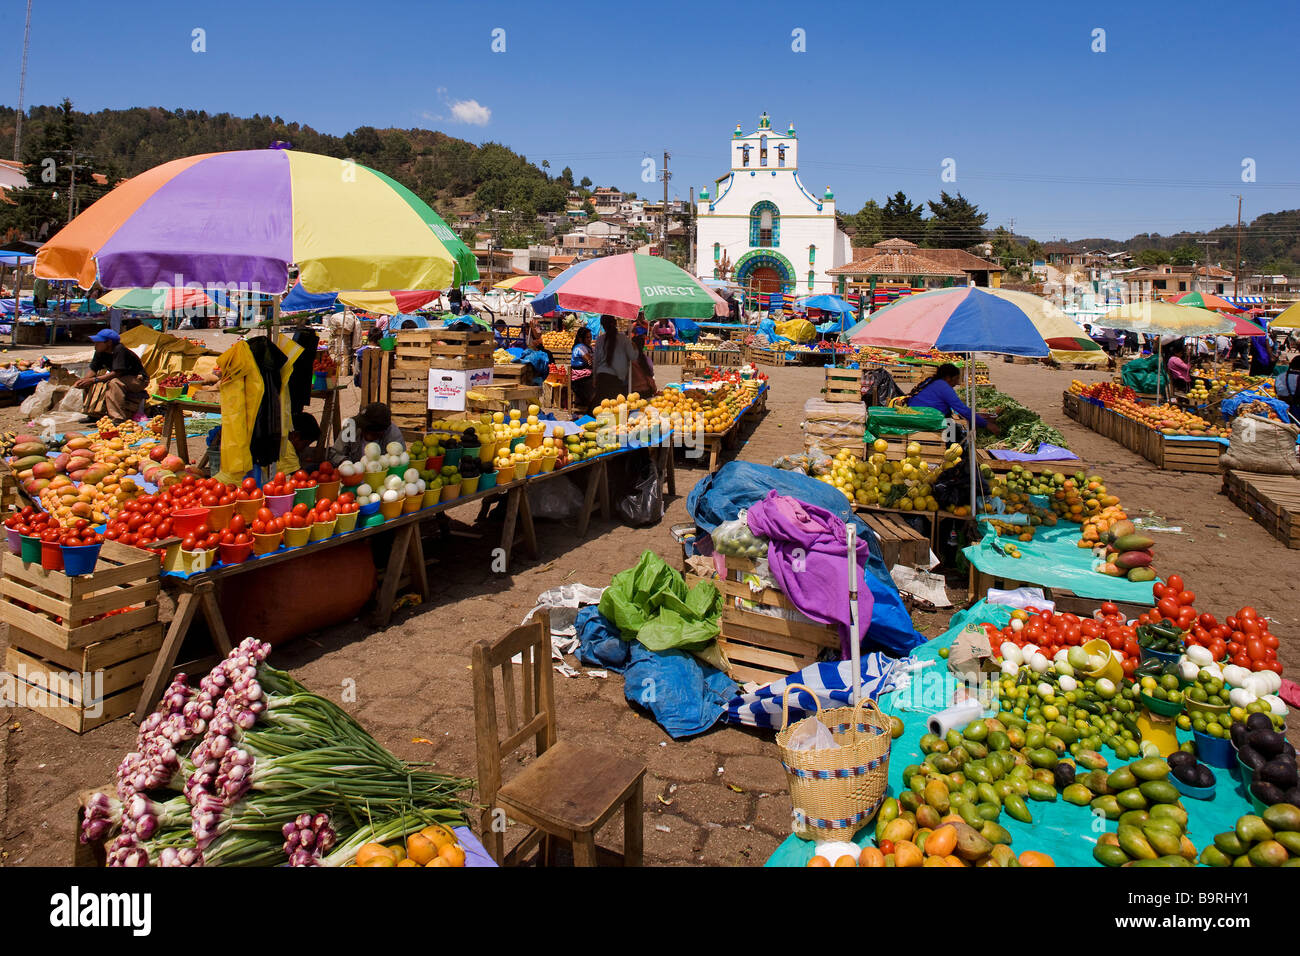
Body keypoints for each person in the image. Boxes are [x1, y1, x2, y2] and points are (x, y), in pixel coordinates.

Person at [76, 329, 149, 422]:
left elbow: (117, 373)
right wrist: (84, 380)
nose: (95, 344)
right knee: (87, 382)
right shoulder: (99, 351)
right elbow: (93, 369)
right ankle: (93, 414)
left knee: (114, 383)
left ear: (109, 343)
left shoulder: (119, 349)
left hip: (138, 379)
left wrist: (94, 380)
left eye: (98, 342)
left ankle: (118, 418)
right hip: (120, 377)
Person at [906, 363, 999, 435]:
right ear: (948, 378)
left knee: (952, 425)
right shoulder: (944, 387)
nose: (956, 383)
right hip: (924, 421)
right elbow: (963, 410)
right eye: (955, 379)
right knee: (954, 431)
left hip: (913, 416)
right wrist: (987, 424)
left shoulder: (930, 381)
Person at [329, 402, 405, 465]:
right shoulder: (352, 427)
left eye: (365, 428)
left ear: (380, 432)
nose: (361, 429)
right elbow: (335, 453)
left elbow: (399, 462)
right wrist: (346, 464)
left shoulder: (393, 435)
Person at [593, 314, 637, 403]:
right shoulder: (624, 339)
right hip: (616, 379)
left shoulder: (600, 339)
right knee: (613, 408)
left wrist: (594, 378)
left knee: (600, 407)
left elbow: (595, 362)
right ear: (615, 323)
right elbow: (633, 357)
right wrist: (635, 347)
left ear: (602, 325)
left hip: (601, 377)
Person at [570, 326, 595, 410]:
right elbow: (589, 360)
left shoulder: (588, 347)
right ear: (581, 338)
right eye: (587, 337)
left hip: (585, 375)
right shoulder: (580, 347)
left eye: (590, 337)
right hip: (579, 378)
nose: (590, 339)